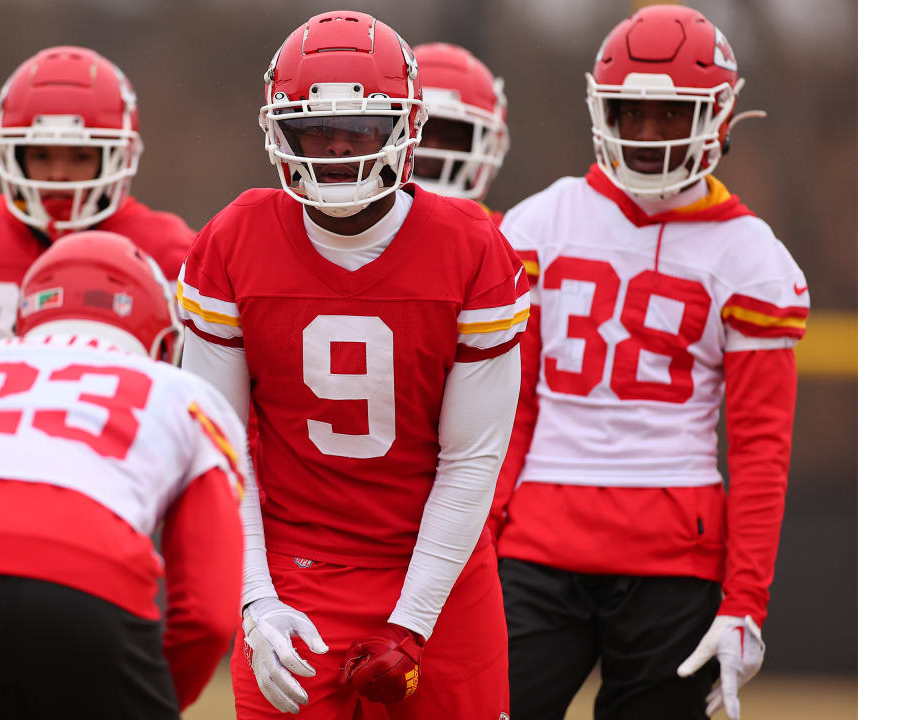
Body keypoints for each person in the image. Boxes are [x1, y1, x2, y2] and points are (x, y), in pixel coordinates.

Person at [176, 10, 529, 719]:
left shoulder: (472, 248)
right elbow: (219, 451)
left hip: (443, 577)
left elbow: (471, 462)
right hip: (295, 576)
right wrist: (256, 602)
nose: (337, 152)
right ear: (280, 131)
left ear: (404, 129)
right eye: (316, 131)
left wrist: (413, 623)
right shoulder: (232, 242)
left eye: (360, 131)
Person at [492, 5, 808, 720]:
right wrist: (484, 537)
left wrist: (746, 600)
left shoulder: (751, 257)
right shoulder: (541, 222)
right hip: (539, 545)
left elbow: (761, 448)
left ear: (719, 117)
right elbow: (513, 408)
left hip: (674, 556)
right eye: (631, 113)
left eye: (671, 116)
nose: (647, 136)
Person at [0, 232, 246, 718]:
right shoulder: (187, 396)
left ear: (22, 322)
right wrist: (153, 697)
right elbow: (207, 616)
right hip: (92, 594)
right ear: (162, 339)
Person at [0, 45, 195, 389]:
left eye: (80, 156)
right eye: (41, 155)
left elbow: (208, 378)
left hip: (119, 437)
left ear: (116, 156)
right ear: (15, 155)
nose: (58, 174)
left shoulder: (174, 252)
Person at [409, 42, 510, 222]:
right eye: (421, 130)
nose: (433, 147)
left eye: (451, 137)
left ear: (485, 143)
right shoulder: (351, 230)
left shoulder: (510, 236)